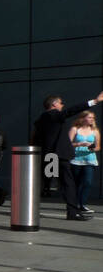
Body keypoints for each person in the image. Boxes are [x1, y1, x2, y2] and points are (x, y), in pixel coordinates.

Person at [31, 92, 103, 220]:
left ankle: (30, 208)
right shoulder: (53, 115)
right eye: (61, 102)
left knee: (46, 182)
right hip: (58, 155)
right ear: (54, 104)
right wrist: (94, 101)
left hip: (49, 156)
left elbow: (35, 138)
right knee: (68, 183)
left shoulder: (41, 119)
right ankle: (72, 212)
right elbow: (71, 111)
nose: (62, 105)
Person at [68, 110, 100, 216]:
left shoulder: (95, 131)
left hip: (89, 159)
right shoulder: (75, 129)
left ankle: (82, 204)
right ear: (83, 118)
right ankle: (74, 205)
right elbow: (68, 144)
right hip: (76, 159)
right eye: (90, 117)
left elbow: (98, 146)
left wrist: (92, 148)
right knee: (76, 183)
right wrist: (79, 144)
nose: (92, 119)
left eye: (93, 118)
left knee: (87, 182)